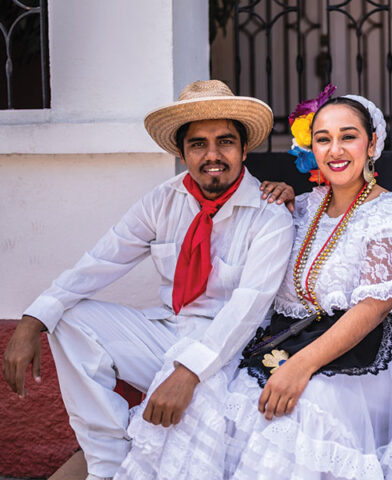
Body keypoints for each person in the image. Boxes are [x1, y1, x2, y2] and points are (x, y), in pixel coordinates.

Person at [115, 91, 392, 479]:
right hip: (286, 342)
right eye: (323, 138)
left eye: (348, 136)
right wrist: (283, 193)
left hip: (360, 354)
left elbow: (372, 310)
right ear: (311, 147)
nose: (335, 149)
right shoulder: (301, 206)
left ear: (372, 143)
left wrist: (301, 367)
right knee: (217, 397)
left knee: (302, 409)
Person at [1, 80, 295, 480]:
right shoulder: (163, 200)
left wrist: (187, 373)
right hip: (169, 332)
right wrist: (33, 319)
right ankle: (109, 464)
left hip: (232, 355)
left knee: (192, 435)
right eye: (197, 144)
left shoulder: (269, 215)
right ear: (181, 152)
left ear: (244, 149)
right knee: (68, 318)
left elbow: (246, 311)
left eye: (225, 142)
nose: (212, 155)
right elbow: (100, 261)